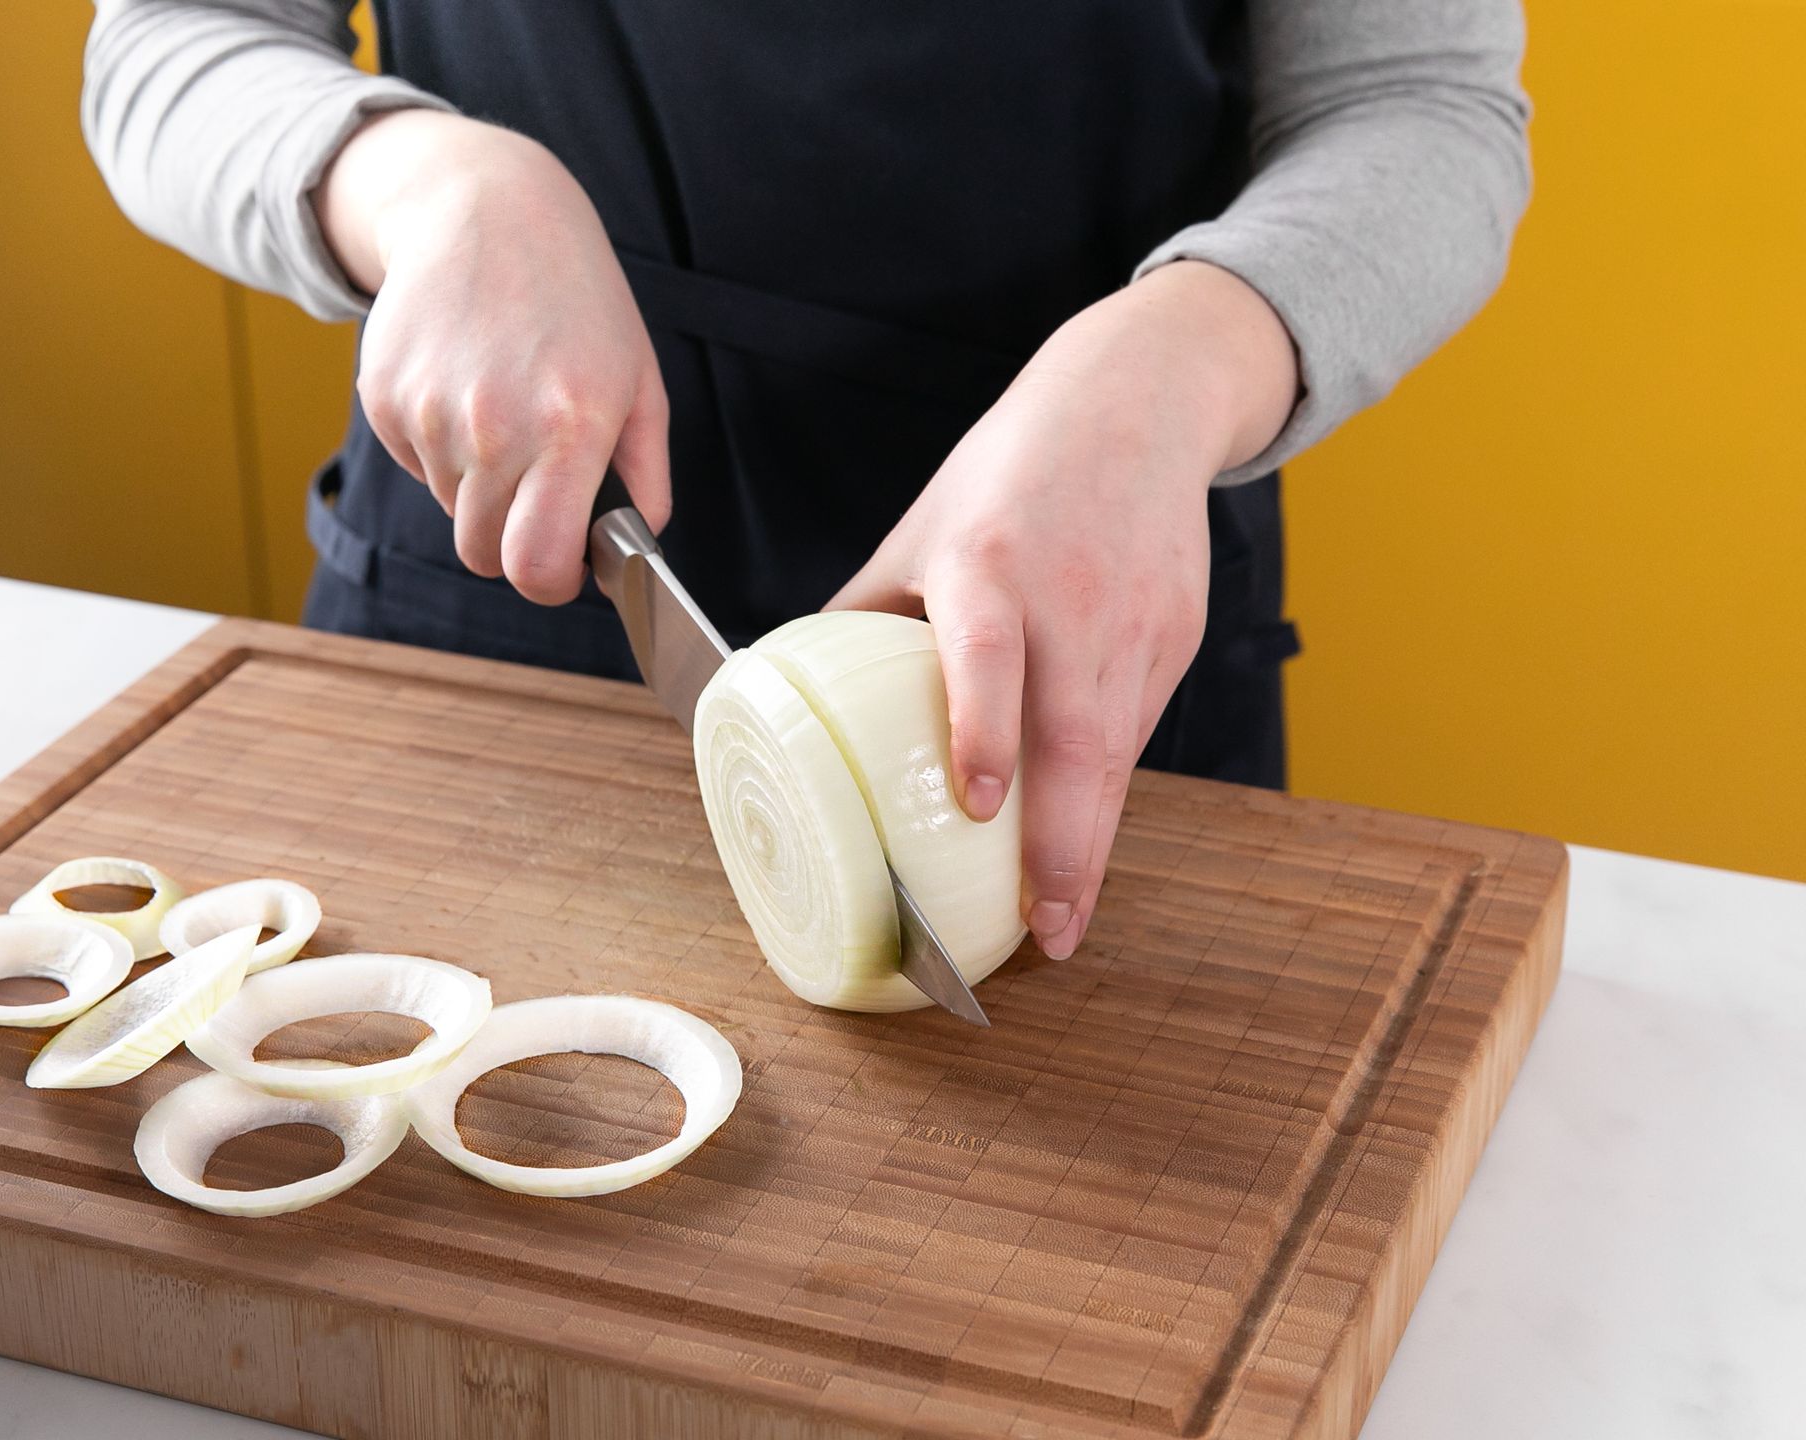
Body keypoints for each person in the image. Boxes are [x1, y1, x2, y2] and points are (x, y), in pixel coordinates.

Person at [84, 1, 1530, 963]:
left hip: (1084, 618)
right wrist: (422, 186)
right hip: (511, 570)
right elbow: (173, 37)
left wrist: (1182, 359)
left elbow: (1421, 103)